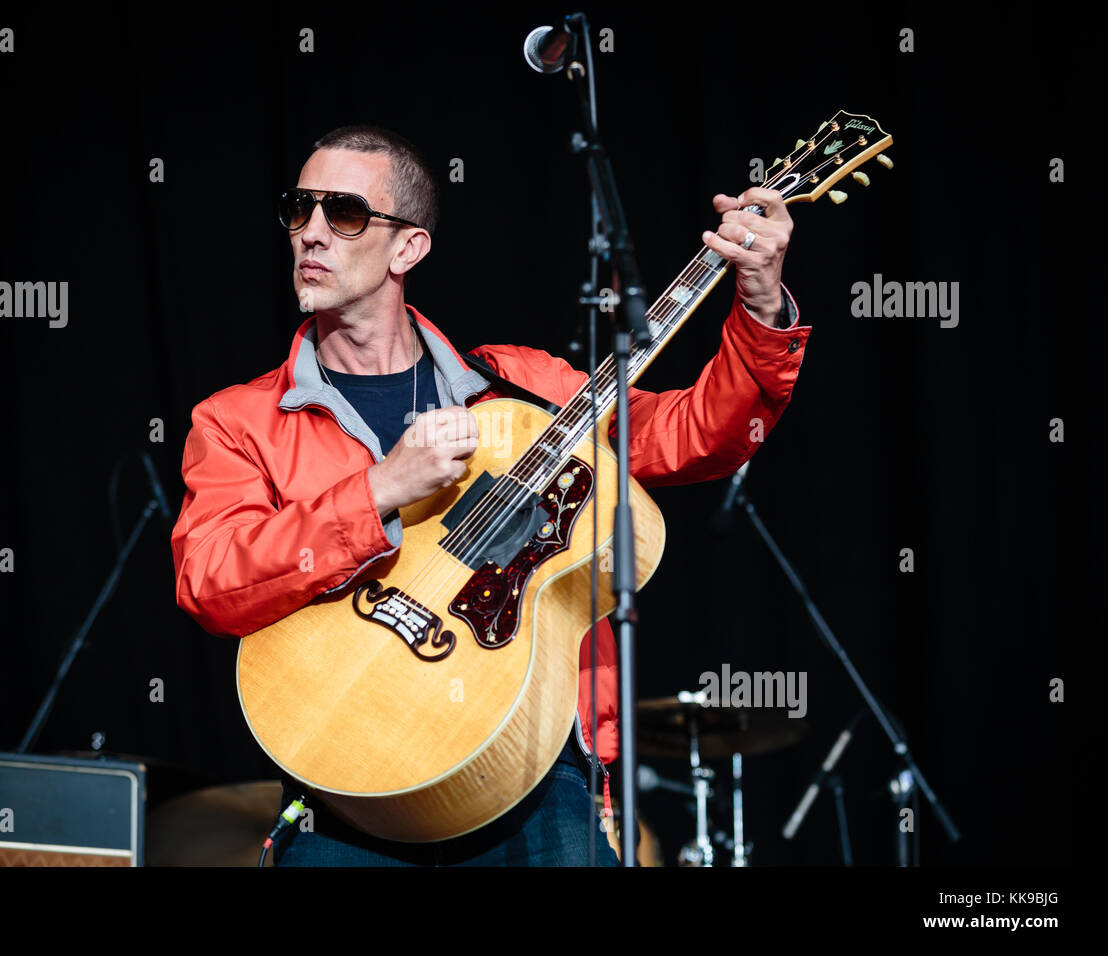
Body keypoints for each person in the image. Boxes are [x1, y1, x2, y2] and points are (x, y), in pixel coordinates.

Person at [170, 124, 809, 866]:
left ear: (408, 248)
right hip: (349, 790)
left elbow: (693, 435)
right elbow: (209, 581)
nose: (311, 234)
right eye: (297, 209)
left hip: (533, 774)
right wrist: (379, 490)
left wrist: (760, 305)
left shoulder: (521, 388)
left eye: (342, 213)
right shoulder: (237, 419)